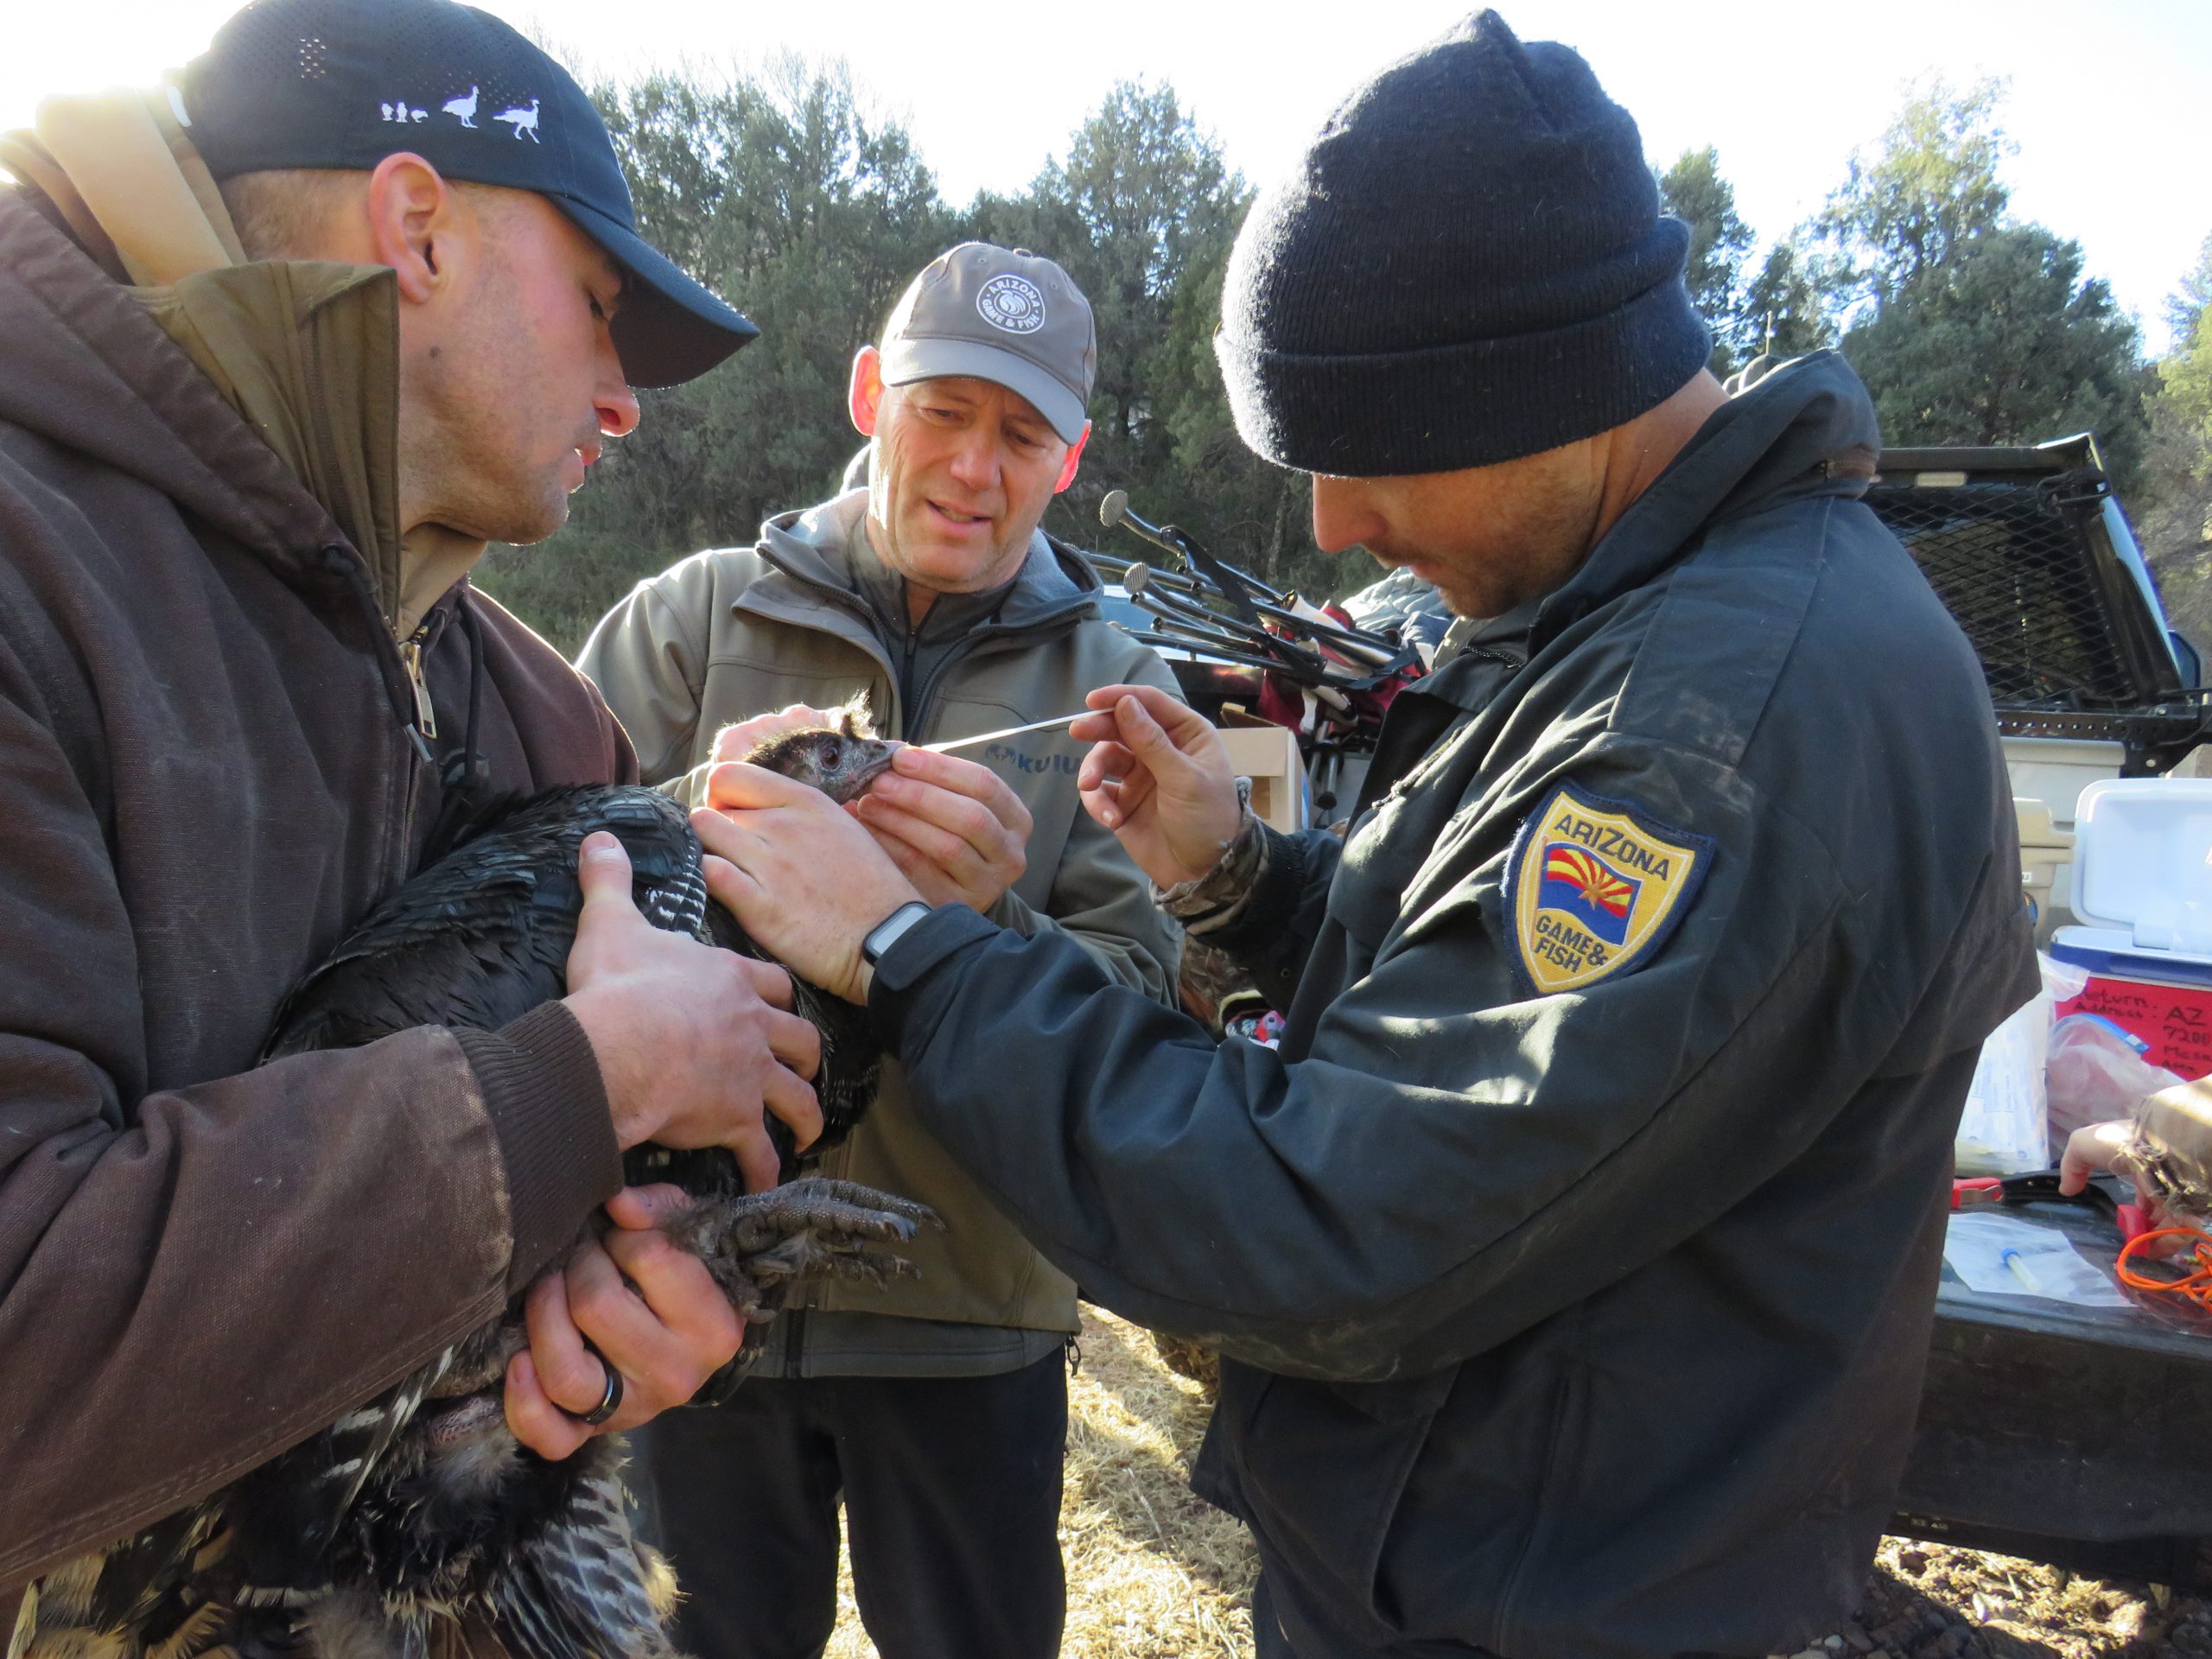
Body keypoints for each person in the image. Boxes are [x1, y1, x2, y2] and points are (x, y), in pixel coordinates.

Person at [690, 15, 2040, 1659]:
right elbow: (1473, 1002)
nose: (1333, 527)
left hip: (1556, 1606)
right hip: (1478, 1560)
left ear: (1537, 391)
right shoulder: (1616, 632)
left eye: (1360, 457)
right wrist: (1246, 882)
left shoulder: (1729, 725)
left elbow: (1331, 1225)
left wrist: (907, 951)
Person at [0, 0, 817, 1601]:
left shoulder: (532, 705)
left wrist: (629, 1306)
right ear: (418, 228)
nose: (624, 399)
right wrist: (575, 1088)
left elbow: (544, 1296)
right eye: (599, 310)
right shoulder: (32, 582)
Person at [577, 242, 1179, 1659]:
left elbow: (1153, 1014)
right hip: (686, 1300)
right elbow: (533, 873)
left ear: (1071, 459)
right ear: (869, 396)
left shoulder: (1121, 691)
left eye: (1023, 434)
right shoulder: (692, 619)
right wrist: (695, 828)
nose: (977, 468)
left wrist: (975, 931)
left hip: (971, 1315)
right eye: (944, 412)